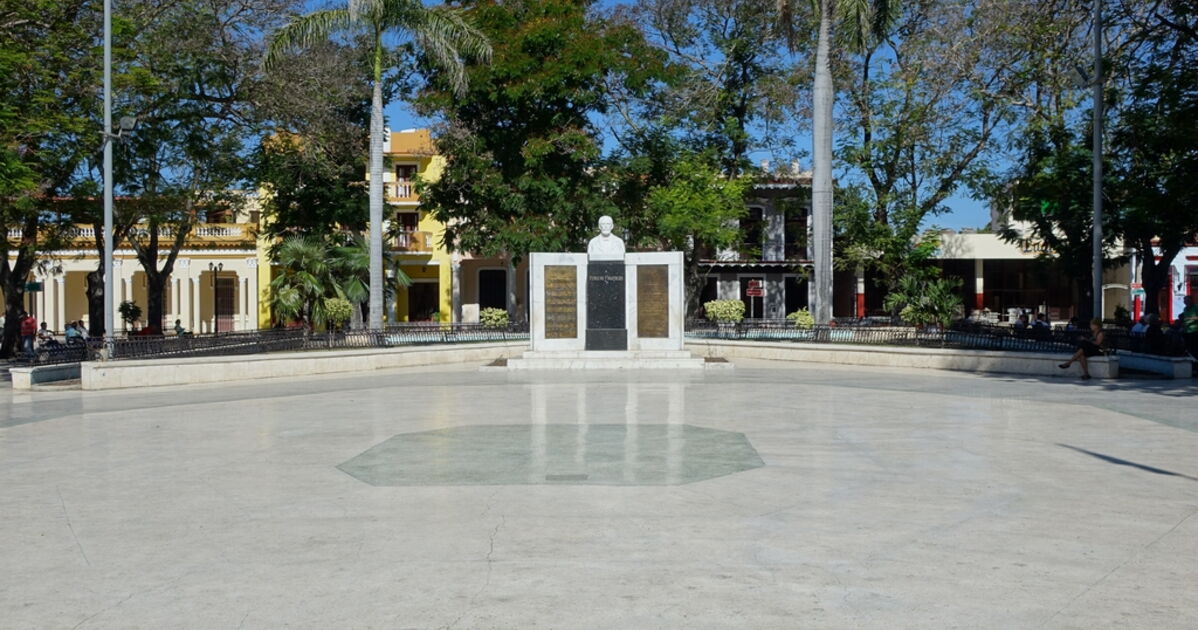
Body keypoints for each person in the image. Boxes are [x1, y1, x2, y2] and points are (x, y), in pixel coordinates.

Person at [1181, 295, 1198, 359]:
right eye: (1185, 301)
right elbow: (1185, 318)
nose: (1185, 302)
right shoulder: (1185, 309)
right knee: (1188, 347)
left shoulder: (1196, 307)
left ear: (1191, 301)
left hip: (1195, 330)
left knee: (1195, 347)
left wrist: (1190, 319)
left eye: (1187, 300)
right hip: (1187, 330)